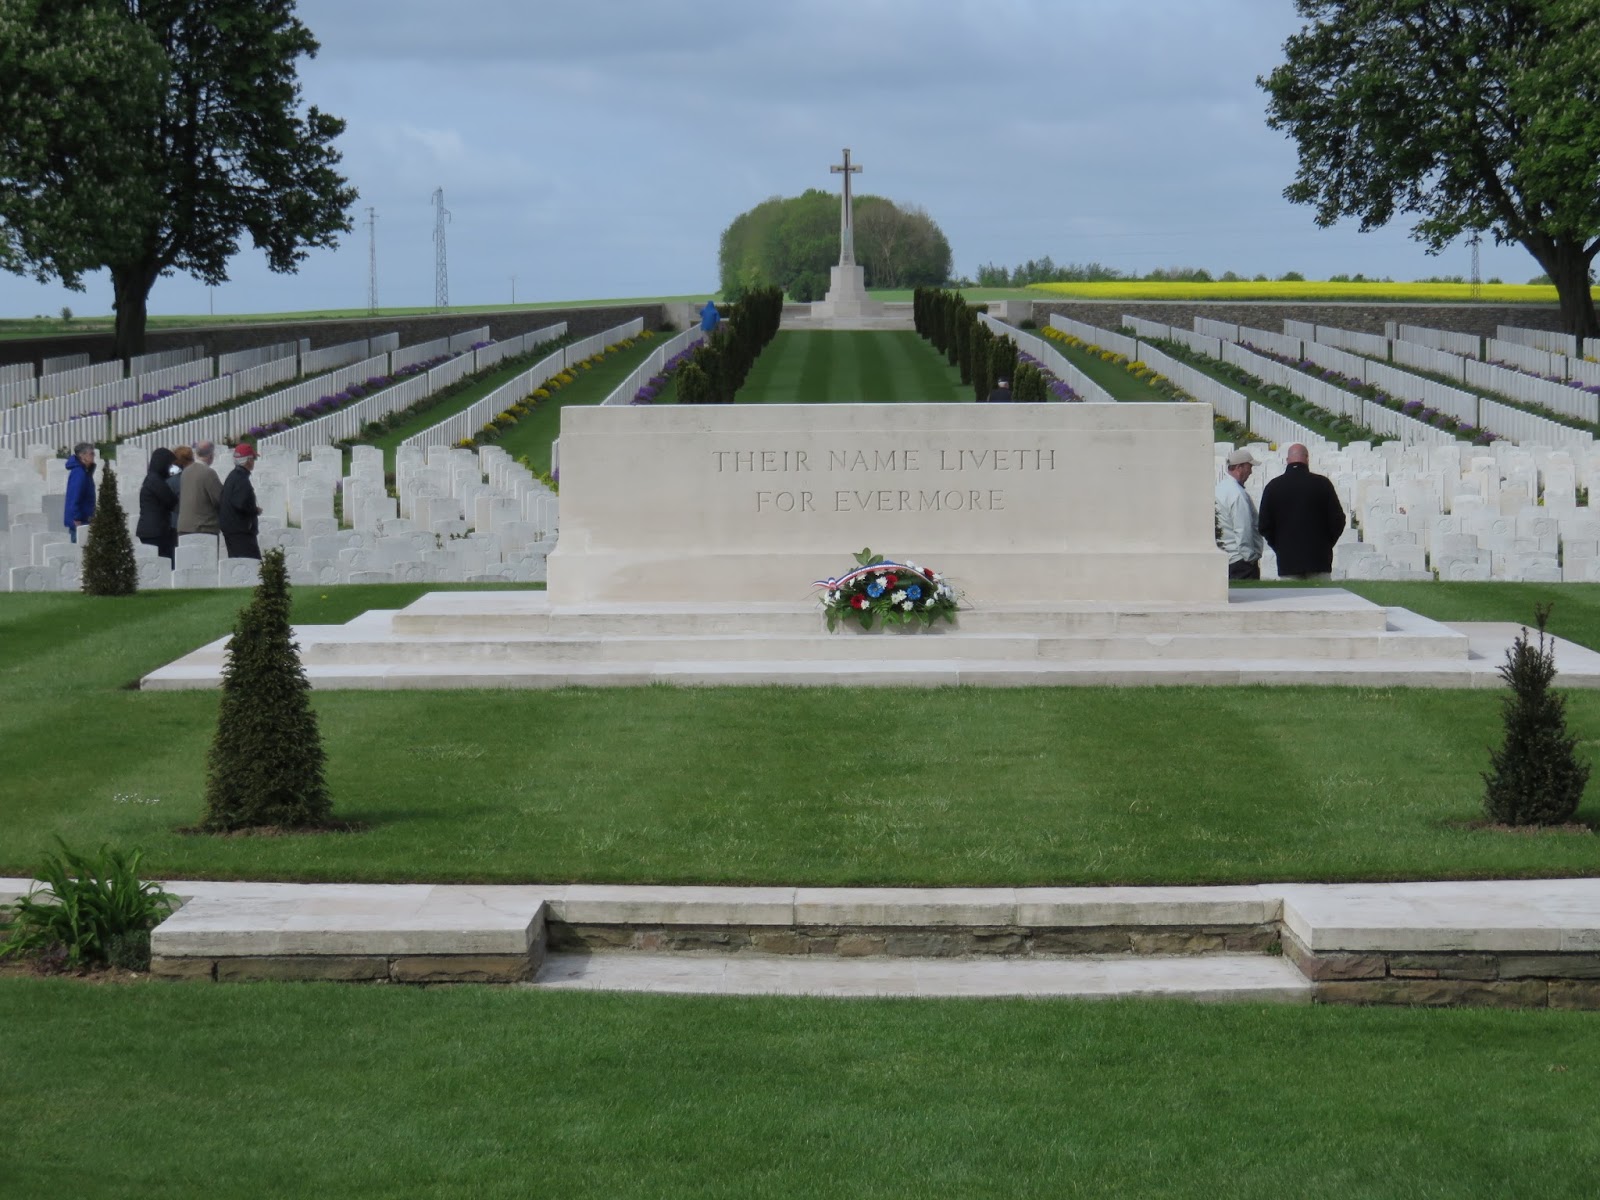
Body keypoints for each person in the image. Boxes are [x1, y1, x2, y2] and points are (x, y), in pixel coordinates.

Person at [1257, 443, 1347, 580]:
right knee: (1322, 600)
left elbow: (1264, 525)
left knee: (1292, 601)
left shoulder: (1273, 487)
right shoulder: (1323, 484)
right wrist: (1326, 543)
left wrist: (1279, 545)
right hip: (1319, 559)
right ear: (1307, 459)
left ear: (1287, 460)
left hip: (1288, 560)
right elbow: (1338, 520)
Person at [1214, 446, 1262, 580]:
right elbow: (1243, 528)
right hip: (1240, 560)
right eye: (1249, 467)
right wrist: (1250, 558)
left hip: (1225, 556)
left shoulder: (1220, 488)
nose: (1251, 472)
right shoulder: (1237, 494)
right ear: (1239, 467)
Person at [219, 442, 262, 559]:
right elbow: (240, 503)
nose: (254, 461)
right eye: (253, 458)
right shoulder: (241, 479)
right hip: (240, 531)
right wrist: (254, 510)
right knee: (251, 564)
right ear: (248, 460)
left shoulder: (233, 476)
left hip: (232, 528)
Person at [136, 447, 180, 563]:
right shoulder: (155, 481)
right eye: (169, 464)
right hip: (155, 530)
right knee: (163, 561)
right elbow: (171, 500)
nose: (170, 468)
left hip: (152, 529)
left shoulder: (152, 478)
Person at [177, 439, 223, 537]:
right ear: (211, 456)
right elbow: (219, 499)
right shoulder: (208, 473)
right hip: (203, 527)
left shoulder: (186, 471)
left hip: (184, 526)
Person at [63, 442, 96, 542]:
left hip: (85, 519)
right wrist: (77, 518)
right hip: (79, 522)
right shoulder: (79, 473)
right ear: (82, 456)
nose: (93, 456)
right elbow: (75, 496)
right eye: (91, 454)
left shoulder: (85, 471)